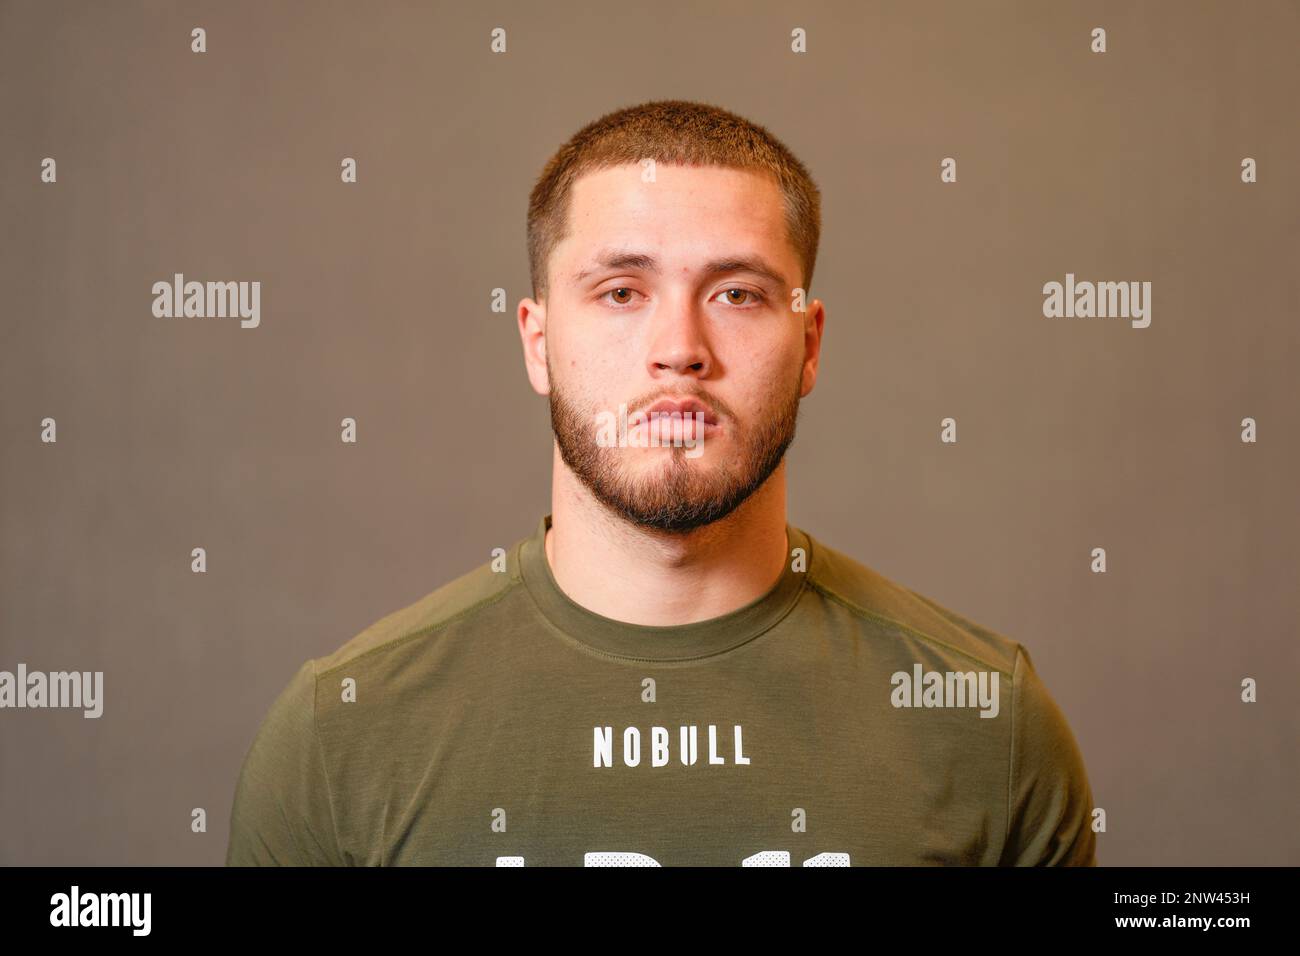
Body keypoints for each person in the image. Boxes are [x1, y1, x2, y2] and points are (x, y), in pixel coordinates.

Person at [226, 99, 1097, 866]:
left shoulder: (987, 722)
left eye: (738, 295)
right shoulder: (340, 737)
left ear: (811, 345)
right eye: (620, 291)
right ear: (536, 341)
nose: (679, 346)